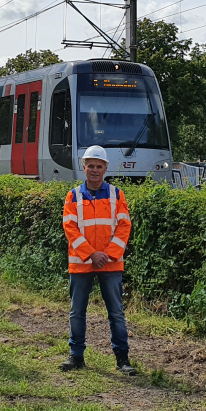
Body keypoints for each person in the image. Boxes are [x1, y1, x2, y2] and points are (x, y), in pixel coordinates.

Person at [59, 145, 136, 376]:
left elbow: (124, 226)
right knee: (76, 312)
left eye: (98, 166)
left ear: (105, 168)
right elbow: (69, 227)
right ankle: (76, 356)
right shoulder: (72, 195)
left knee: (116, 313)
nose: (94, 170)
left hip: (110, 263)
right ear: (84, 168)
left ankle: (122, 359)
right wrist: (92, 254)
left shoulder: (117, 194)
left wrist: (108, 254)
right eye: (90, 165)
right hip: (82, 262)